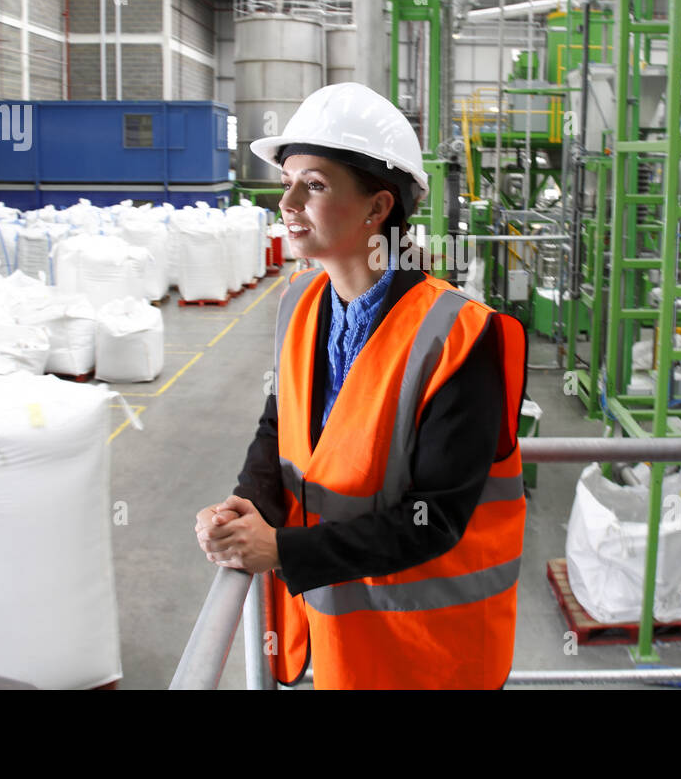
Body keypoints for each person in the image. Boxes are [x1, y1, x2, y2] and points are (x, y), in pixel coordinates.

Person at [194, 82, 528, 690]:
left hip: (436, 655)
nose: (286, 200)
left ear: (376, 210)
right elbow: (281, 427)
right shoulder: (300, 304)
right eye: (288, 180)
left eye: (314, 185)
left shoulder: (462, 336)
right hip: (345, 643)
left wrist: (285, 552)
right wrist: (245, 507)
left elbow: (434, 519)